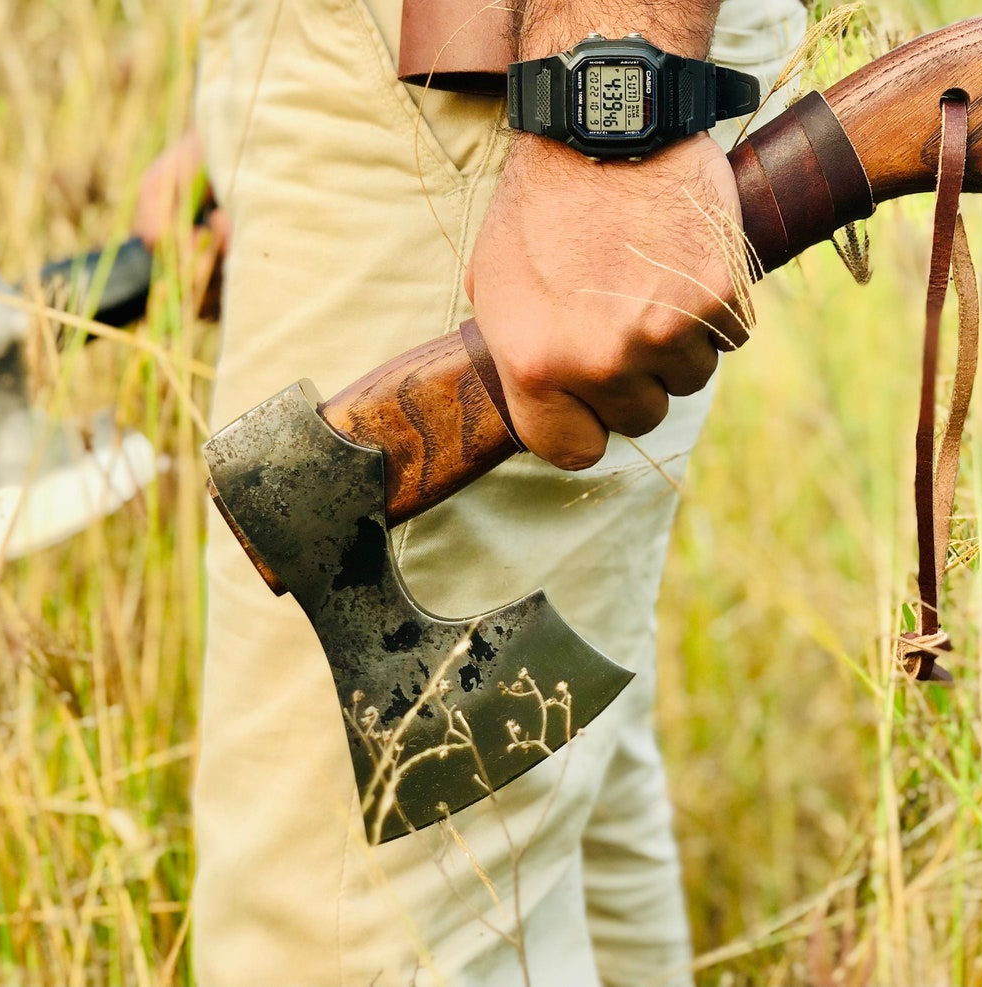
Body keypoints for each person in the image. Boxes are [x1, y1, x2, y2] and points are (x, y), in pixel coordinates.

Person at [152, 0, 807, 982]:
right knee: (548, 826)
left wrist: (608, 101)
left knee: (350, 936)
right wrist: (261, 75)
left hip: (509, 73)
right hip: (430, 72)